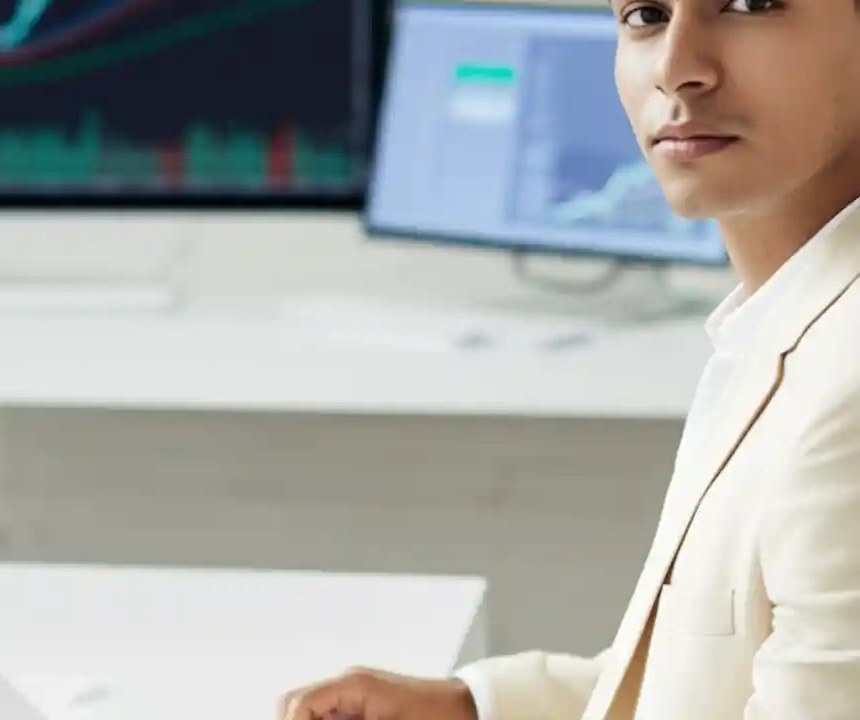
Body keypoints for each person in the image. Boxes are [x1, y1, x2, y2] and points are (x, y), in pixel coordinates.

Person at [279, 0, 860, 717]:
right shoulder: (789, 318)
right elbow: (715, 675)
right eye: (646, 16)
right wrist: (474, 706)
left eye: (748, 4)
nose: (676, 70)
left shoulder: (848, 389)